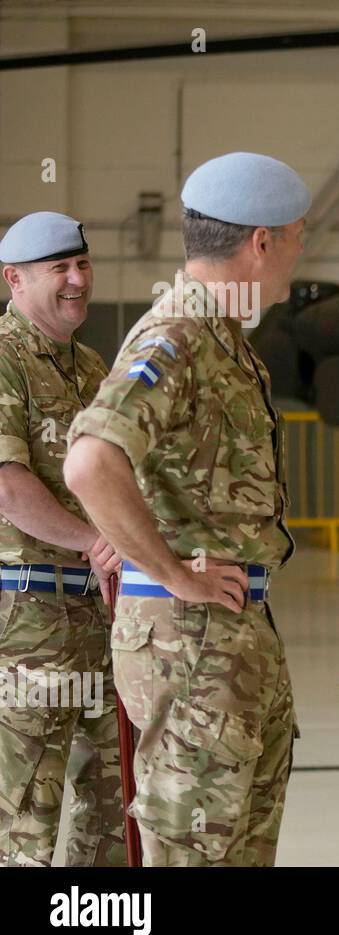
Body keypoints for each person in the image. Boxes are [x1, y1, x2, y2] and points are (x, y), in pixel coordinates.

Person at [63, 152, 309, 866]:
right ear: (260, 242)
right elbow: (89, 461)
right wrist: (174, 572)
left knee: (237, 844)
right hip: (192, 635)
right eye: (296, 236)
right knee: (196, 846)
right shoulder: (178, 334)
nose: (300, 253)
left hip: (231, 628)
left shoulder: (224, 337)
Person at [0, 212, 125, 866]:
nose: (78, 280)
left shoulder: (91, 364)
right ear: (14, 280)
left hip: (97, 615)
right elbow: (8, 486)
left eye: (82, 264)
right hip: (29, 620)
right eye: (60, 269)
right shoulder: (4, 357)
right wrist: (94, 540)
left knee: (114, 791)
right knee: (28, 810)